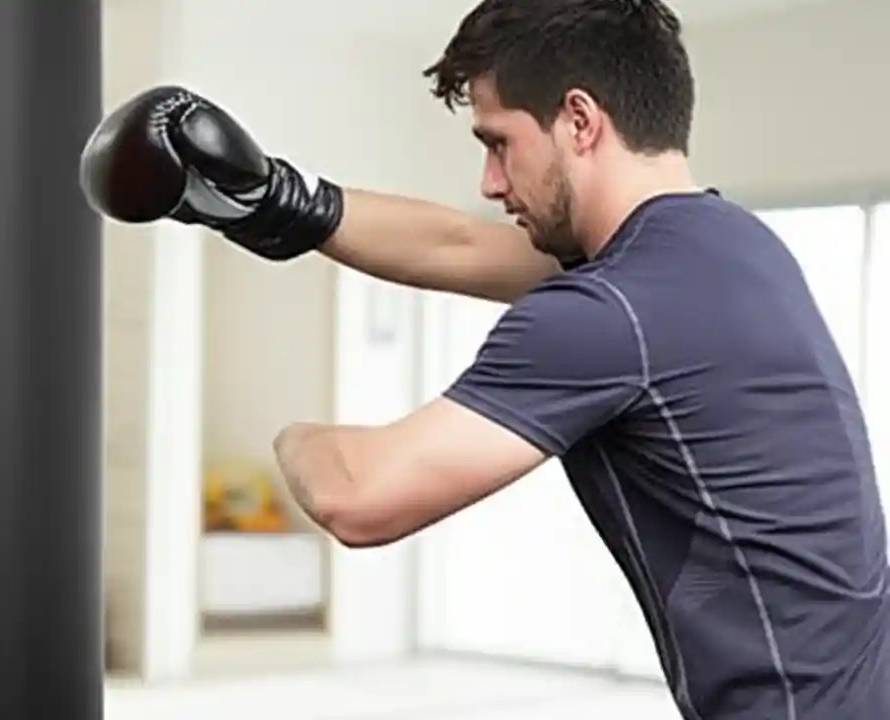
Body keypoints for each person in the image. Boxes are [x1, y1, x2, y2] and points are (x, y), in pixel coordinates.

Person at [77, 0, 890, 717]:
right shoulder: (724, 248)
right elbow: (458, 243)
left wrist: (285, 434)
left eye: (499, 143)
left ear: (579, 120)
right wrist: (278, 202)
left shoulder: (612, 310)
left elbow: (358, 497)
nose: (490, 181)